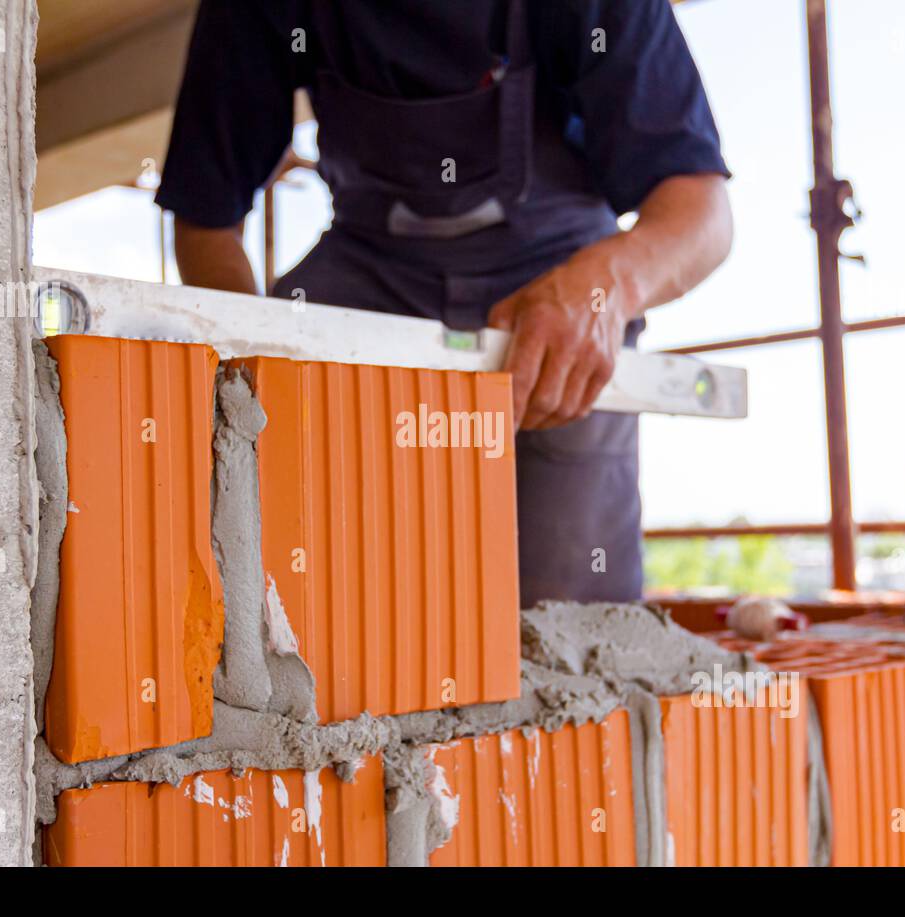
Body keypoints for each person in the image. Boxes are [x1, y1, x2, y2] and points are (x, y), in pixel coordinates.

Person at [156, 0, 732, 606]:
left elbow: (702, 213)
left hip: (558, 281)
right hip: (369, 275)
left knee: (572, 612)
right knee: (295, 568)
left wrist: (607, 285)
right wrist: (248, 364)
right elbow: (206, 220)